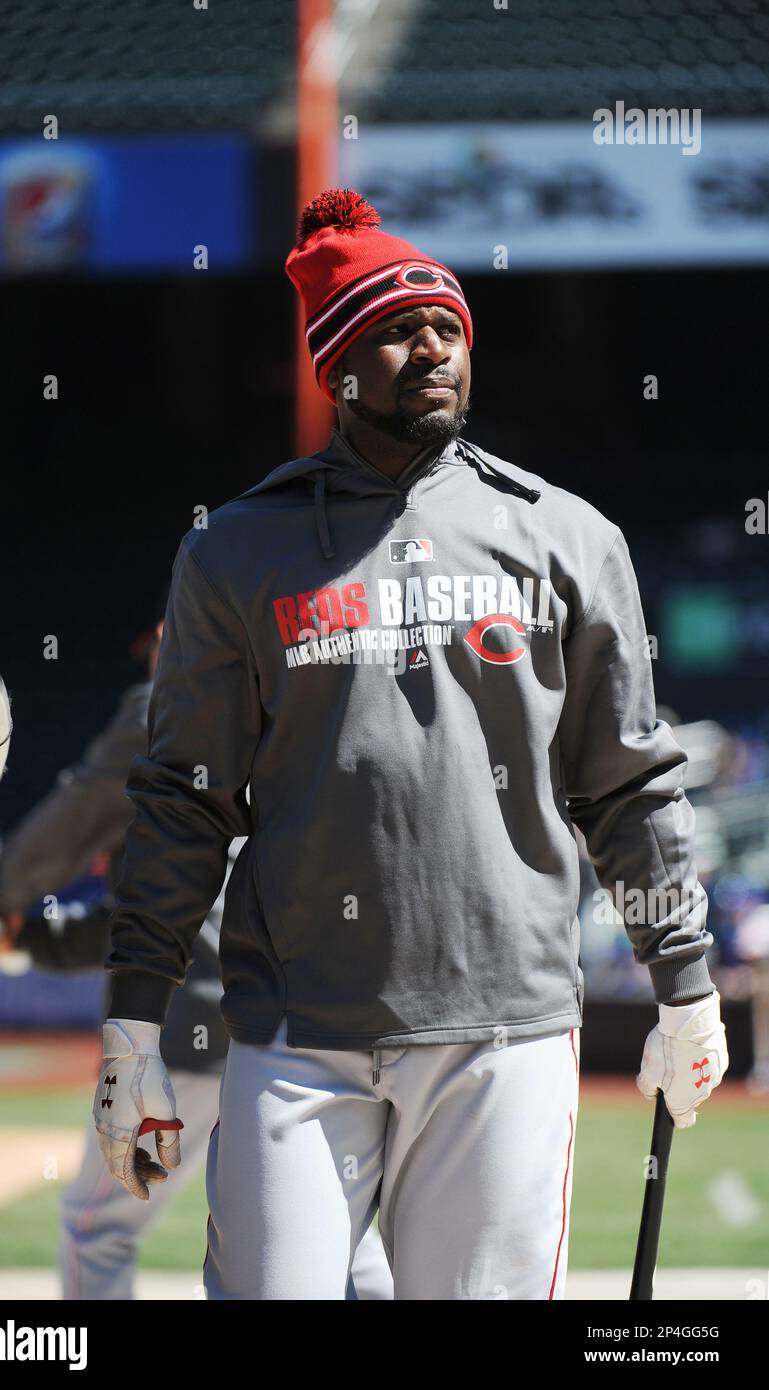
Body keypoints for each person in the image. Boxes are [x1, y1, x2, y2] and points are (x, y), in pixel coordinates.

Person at [95, 189, 728, 1301]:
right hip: (294, 1031)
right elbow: (183, 798)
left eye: (446, 324)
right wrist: (128, 1024)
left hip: (506, 1027)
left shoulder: (566, 535)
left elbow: (628, 786)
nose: (431, 344)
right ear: (334, 365)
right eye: (394, 327)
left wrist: (683, 983)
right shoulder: (236, 551)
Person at [0, 595, 392, 1300]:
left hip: (188, 1030)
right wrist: (32, 941)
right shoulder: (303, 706)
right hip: (307, 1020)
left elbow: (87, 834)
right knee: (337, 1231)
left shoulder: (167, 709)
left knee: (95, 1225)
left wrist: (6, 902)